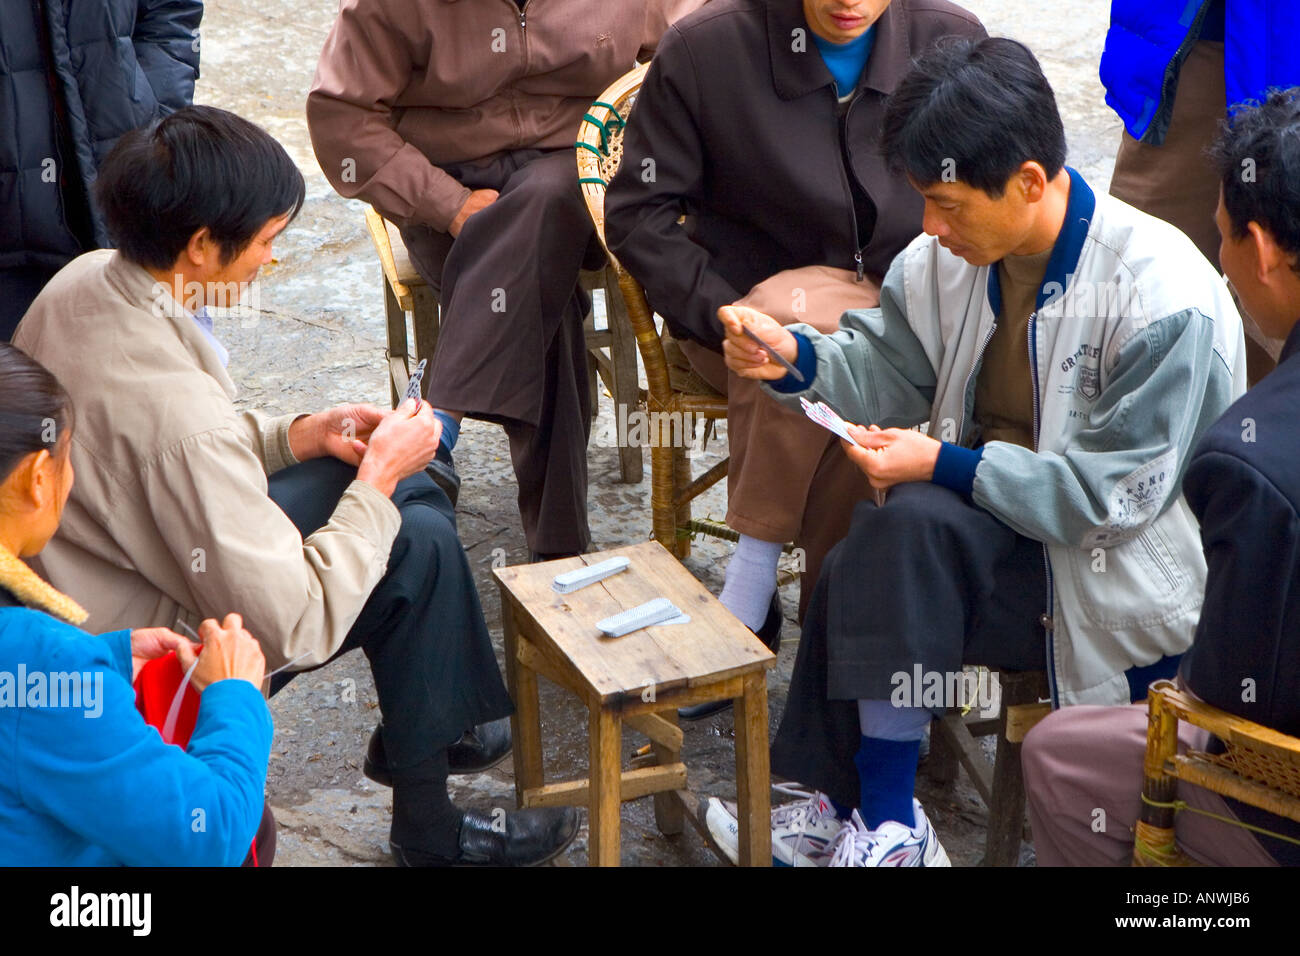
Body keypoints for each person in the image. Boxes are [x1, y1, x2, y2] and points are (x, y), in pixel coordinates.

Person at [706, 36, 1245, 866]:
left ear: (1030, 180)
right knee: (877, 548)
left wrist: (943, 464)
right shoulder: (946, 260)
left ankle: (878, 814)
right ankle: (861, 813)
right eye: (923, 200)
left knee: (905, 526)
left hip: (1120, 580)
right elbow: (888, 364)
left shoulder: (1163, 297)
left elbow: (1107, 503)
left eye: (948, 202)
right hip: (988, 544)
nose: (929, 225)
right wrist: (799, 358)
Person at [12, 105, 577, 867]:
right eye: (268, 241)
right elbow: (293, 626)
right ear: (202, 246)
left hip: (114, 548)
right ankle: (433, 790)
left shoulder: (87, 278)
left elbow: (155, 447)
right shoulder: (183, 422)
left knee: (401, 505)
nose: (272, 262)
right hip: (147, 621)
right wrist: (378, 477)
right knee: (414, 532)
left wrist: (300, 433)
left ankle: (440, 741)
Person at [606, 1, 986, 705]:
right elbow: (638, 212)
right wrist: (714, 306)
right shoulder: (705, 50)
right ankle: (842, 667)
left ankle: (775, 617)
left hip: (916, 317)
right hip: (739, 326)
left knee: (850, 391)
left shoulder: (950, 40)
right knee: (788, 331)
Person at [306, 0, 704, 562]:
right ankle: (559, 548)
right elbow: (341, 117)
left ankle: (437, 416)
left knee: (547, 195)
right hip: (445, 184)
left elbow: (698, 46)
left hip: (582, 175)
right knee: (548, 302)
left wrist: (632, 145)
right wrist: (448, 203)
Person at [1022, 88, 1300, 868]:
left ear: (1263, 248)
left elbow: (1225, 699)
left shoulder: (1250, 459)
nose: (1221, 262)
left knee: (1059, 755)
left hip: (1282, 810)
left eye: (1222, 237)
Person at [0, 342, 272, 866]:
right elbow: (207, 836)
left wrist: (109, 659)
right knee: (246, 818)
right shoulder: (47, 661)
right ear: (38, 478)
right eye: (68, 458)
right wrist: (236, 694)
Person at [1100, 0, 1300, 384]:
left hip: (1285, 38)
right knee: (1133, 288)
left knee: (1280, 319)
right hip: (1189, 36)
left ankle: (1255, 435)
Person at [0, 0, 203, 340]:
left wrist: (158, 117)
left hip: (131, 192)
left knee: (146, 374)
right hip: (12, 235)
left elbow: (172, 10)